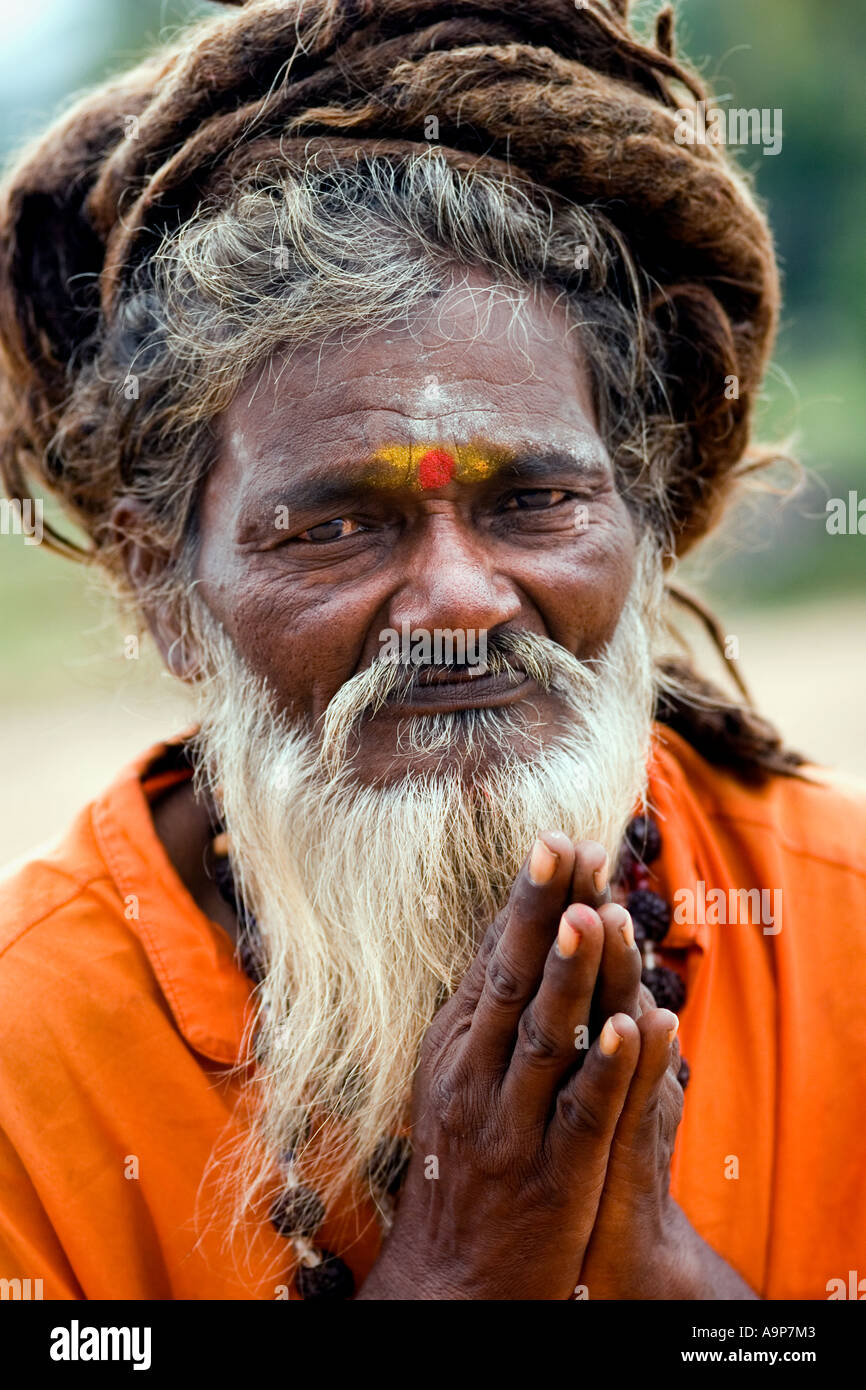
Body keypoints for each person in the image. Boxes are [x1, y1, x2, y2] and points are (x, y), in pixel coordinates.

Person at [0, 0, 863, 1302]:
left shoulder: (837, 931)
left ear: (642, 513)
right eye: (339, 522)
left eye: (532, 502)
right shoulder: (29, 1060)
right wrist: (459, 1270)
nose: (460, 600)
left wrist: (665, 1277)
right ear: (162, 584)